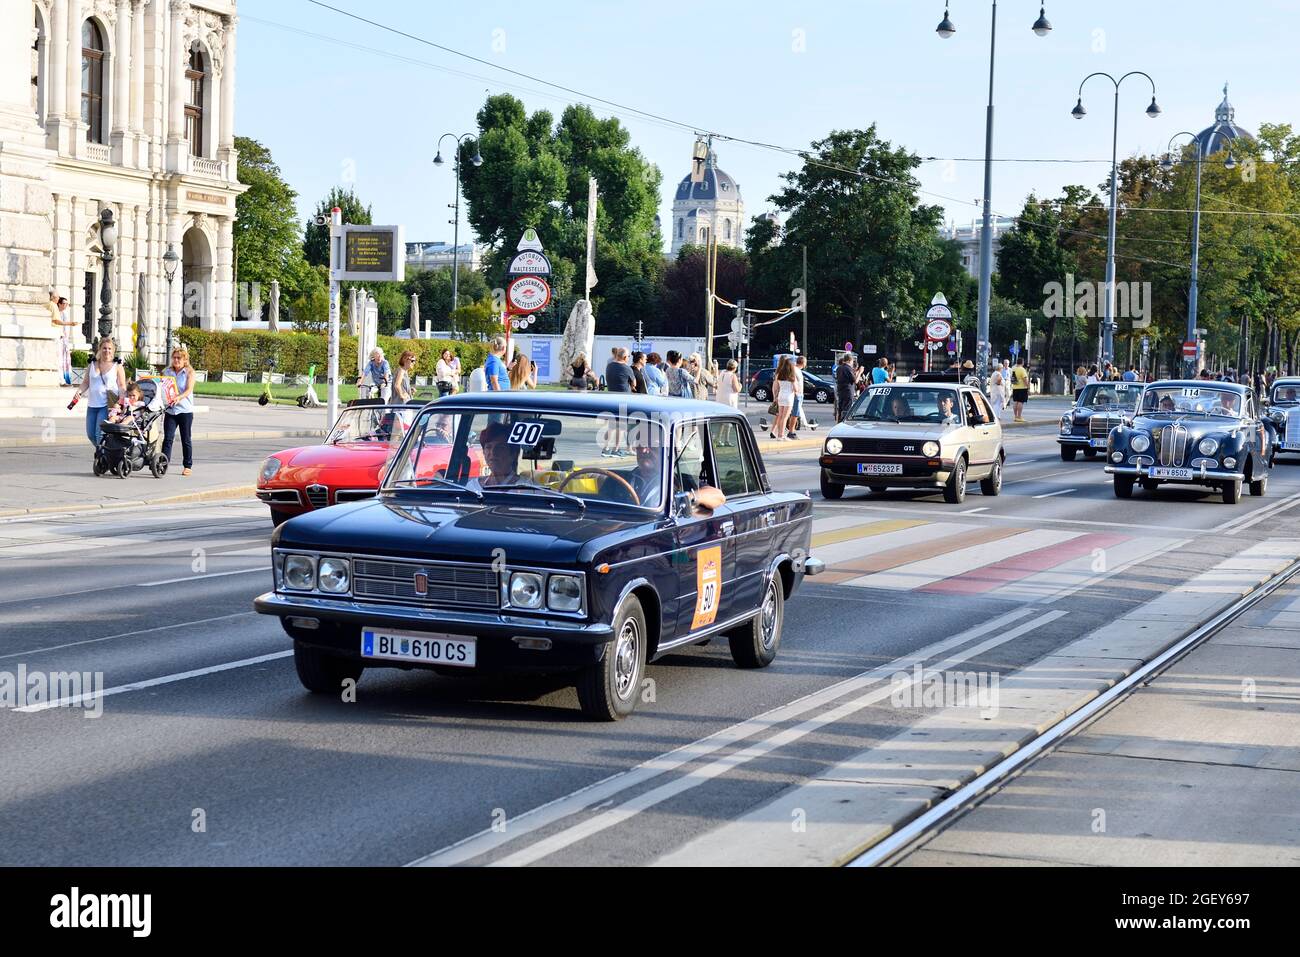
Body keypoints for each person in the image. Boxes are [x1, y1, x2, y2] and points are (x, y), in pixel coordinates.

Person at [75, 337, 127, 446]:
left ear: (113, 351)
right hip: (92, 405)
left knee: (99, 435)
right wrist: (79, 392)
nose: (107, 351)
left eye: (109, 348)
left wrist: (121, 403)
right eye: (104, 348)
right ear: (100, 349)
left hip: (106, 405)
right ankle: (104, 453)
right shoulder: (92, 364)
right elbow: (86, 382)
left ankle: (102, 457)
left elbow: (122, 386)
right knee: (91, 435)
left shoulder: (117, 366)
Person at [162, 344, 196, 475]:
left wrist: (179, 397)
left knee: (185, 438)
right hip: (171, 410)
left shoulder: (189, 372)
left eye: (179, 358)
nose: (176, 360)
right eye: (174, 358)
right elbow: (162, 386)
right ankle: (163, 463)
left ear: (185, 360)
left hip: (185, 410)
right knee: (168, 438)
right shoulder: (167, 372)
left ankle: (188, 465)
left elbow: (188, 390)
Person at [466, 422, 530, 491]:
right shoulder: (473, 487)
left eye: (500, 448)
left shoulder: (526, 488)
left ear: (513, 454)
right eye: (488, 447)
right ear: (483, 452)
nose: (493, 453)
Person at [50, 293, 77, 387]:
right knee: (60, 361)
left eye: (67, 304)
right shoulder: (55, 312)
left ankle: (67, 380)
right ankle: (61, 380)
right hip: (59, 339)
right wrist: (70, 324)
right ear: (59, 304)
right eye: (64, 303)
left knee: (66, 361)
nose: (66, 305)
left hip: (65, 340)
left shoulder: (64, 314)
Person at [771, 356, 796, 441]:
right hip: (789, 396)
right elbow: (796, 389)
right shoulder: (792, 376)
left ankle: (779, 435)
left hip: (781, 395)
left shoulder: (779, 374)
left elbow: (776, 386)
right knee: (785, 417)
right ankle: (781, 435)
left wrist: (775, 396)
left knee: (781, 416)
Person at [788, 355, 807, 438]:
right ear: (804, 363)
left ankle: (792, 431)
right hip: (797, 395)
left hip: (799, 394)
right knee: (795, 413)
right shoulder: (795, 370)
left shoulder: (797, 370)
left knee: (796, 413)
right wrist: (797, 393)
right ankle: (791, 432)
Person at [834, 353, 857, 422]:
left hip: (840, 391)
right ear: (850, 360)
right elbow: (855, 380)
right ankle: (844, 423)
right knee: (847, 409)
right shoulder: (848, 368)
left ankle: (839, 422)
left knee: (840, 408)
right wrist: (860, 372)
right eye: (852, 361)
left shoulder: (839, 368)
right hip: (848, 391)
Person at [1010, 357, 1030, 422]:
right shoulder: (1022, 369)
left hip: (1015, 387)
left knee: (1015, 402)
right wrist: (1028, 387)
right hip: (1022, 388)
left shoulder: (1013, 369)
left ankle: (1015, 416)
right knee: (1020, 402)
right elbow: (1025, 379)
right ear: (1022, 362)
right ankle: (1019, 416)